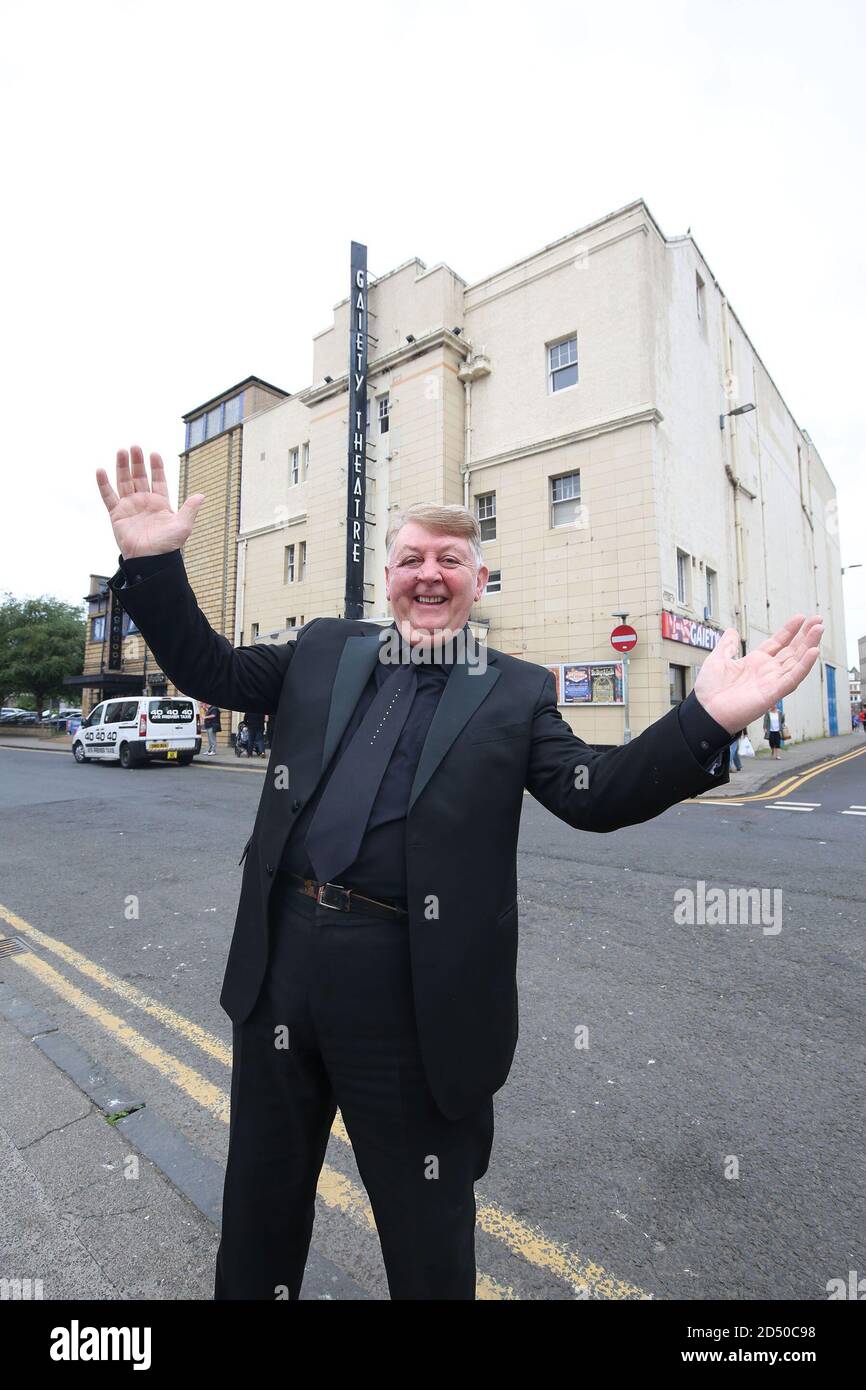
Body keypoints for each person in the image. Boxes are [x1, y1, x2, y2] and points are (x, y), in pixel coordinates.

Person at [96, 447, 824, 1301]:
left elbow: (596, 792)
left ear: (479, 581)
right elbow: (210, 670)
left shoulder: (514, 691)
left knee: (426, 1234)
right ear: (390, 579)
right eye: (411, 559)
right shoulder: (323, 650)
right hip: (281, 964)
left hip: (412, 991)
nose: (429, 575)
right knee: (259, 1202)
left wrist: (705, 719)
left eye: (451, 561)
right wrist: (153, 564)